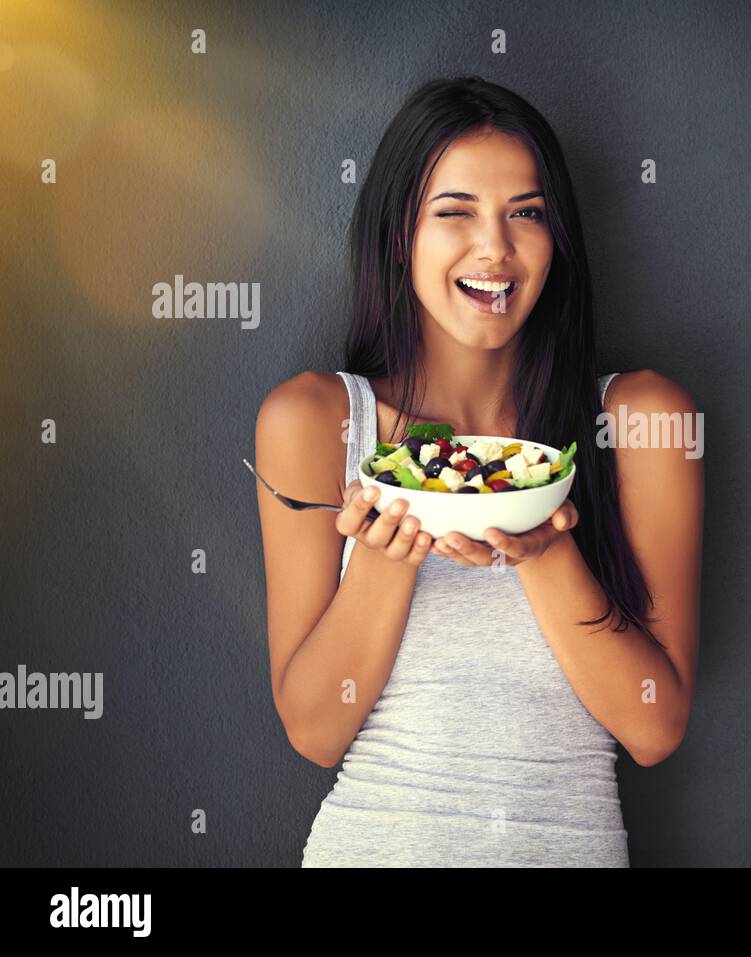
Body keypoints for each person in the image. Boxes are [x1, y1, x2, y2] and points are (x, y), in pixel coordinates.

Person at [253, 76, 702, 867]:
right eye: (454, 211)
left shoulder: (641, 420)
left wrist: (547, 550)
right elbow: (316, 733)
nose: (494, 248)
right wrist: (385, 561)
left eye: (525, 213)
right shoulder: (315, 420)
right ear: (400, 235)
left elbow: (655, 727)